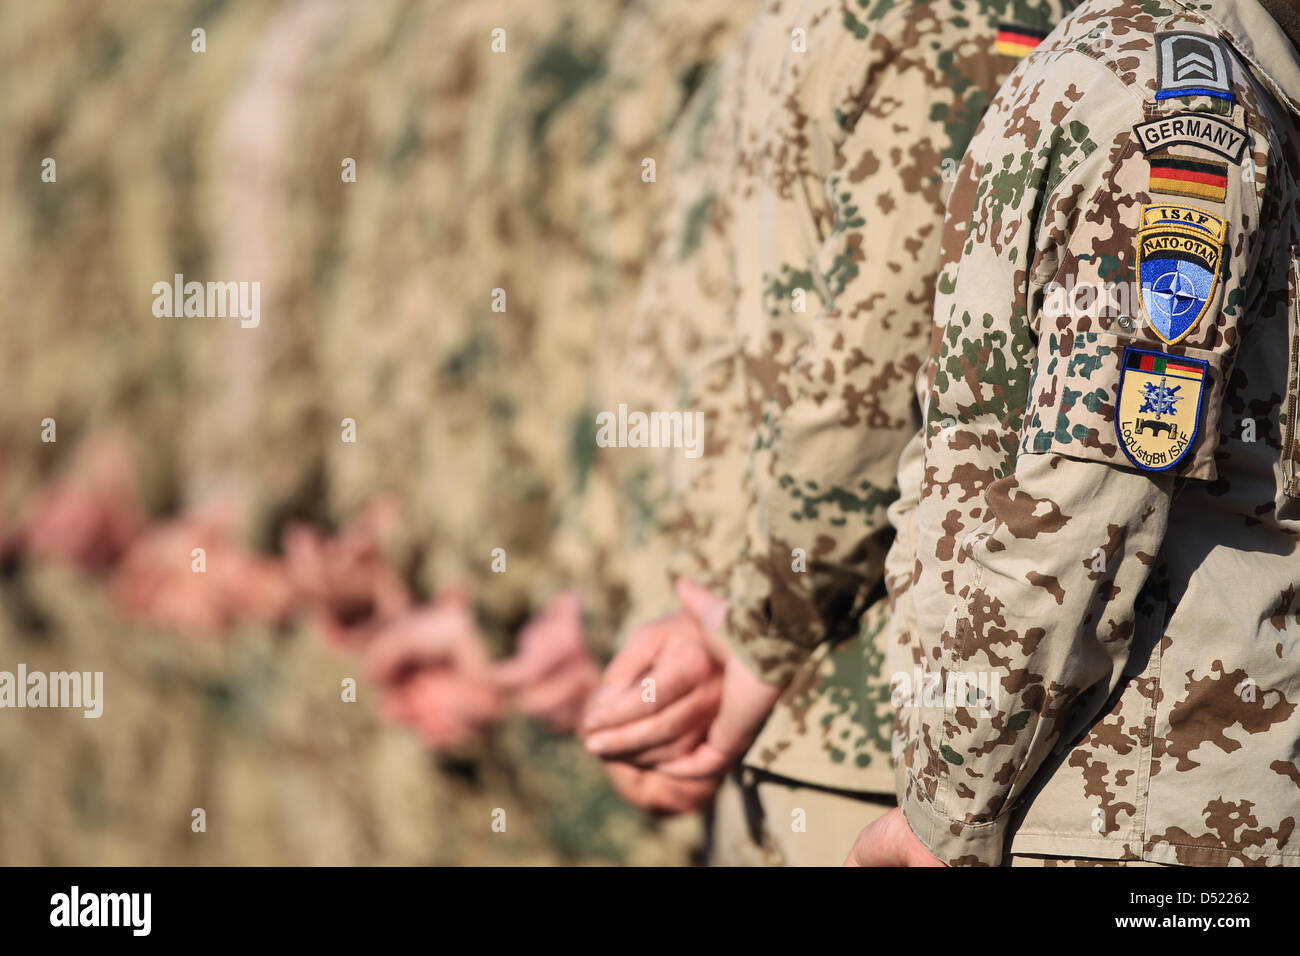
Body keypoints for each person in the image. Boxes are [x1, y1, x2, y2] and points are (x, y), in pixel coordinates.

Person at [582, 0, 1079, 863]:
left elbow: (711, 360)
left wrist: (708, 613)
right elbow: (877, 374)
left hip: (796, 701)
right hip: (864, 717)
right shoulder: (964, 17)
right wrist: (749, 628)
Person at [851, 0, 1300, 866]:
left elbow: (1074, 502)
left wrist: (943, 806)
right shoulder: (1150, 89)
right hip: (1098, 799)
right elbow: (1037, 477)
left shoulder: (1144, 89)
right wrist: (945, 801)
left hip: (1139, 811)